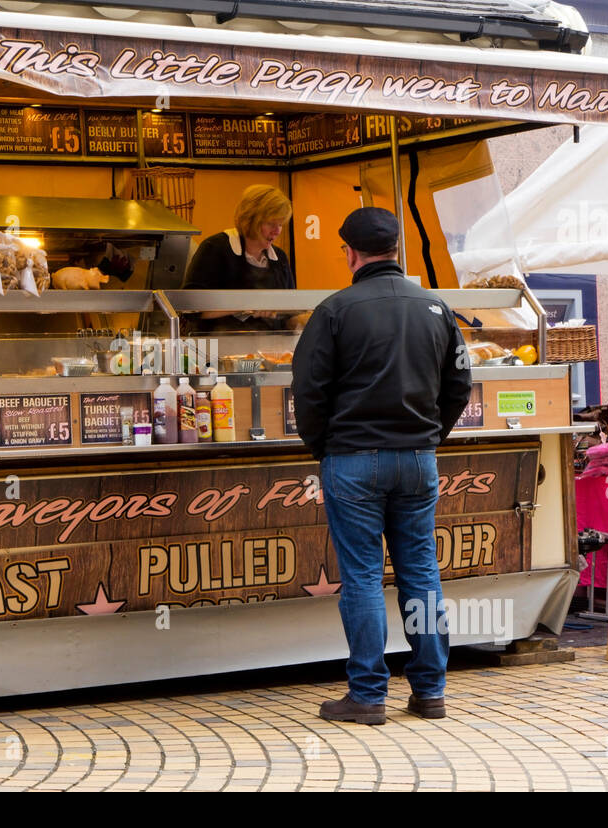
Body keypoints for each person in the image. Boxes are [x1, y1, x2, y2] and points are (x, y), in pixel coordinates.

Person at [291, 207, 472, 725]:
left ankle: (368, 696)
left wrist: (322, 447)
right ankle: (431, 692)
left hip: (353, 461)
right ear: (397, 250)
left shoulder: (334, 311)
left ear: (349, 252)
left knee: (365, 577)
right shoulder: (436, 308)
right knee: (421, 572)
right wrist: (430, 434)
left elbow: (308, 391)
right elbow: (459, 383)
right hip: (419, 460)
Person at [182, 184, 296, 331]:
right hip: (215, 348)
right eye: (271, 224)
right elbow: (191, 308)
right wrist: (247, 305)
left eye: (280, 225)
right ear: (250, 219)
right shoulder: (215, 248)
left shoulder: (279, 258)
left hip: (269, 349)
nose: (277, 231)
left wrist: (306, 320)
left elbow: (290, 312)